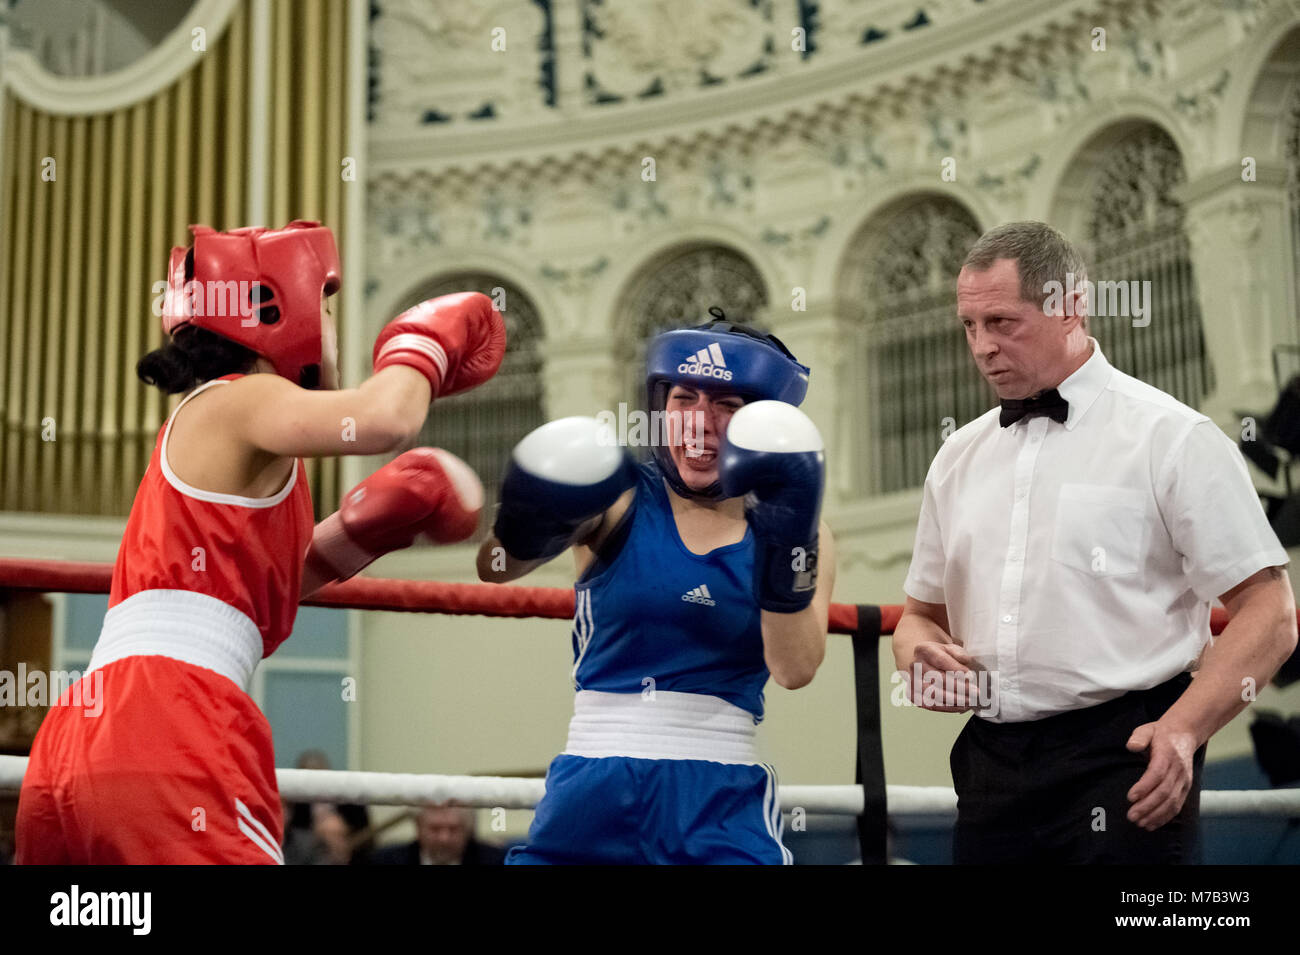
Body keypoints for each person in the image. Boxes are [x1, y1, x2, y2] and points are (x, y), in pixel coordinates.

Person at [17, 220, 505, 864]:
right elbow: (388, 417)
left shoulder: (224, 434)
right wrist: (425, 344)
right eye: (326, 306)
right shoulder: (239, 401)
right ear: (283, 306)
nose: (333, 328)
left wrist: (368, 530)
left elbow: (249, 595)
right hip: (171, 718)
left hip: (85, 732)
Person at [893, 220, 1298, 864]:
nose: (982, 347)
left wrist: (1185, 730)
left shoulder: (1172, 438)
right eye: (970, 326)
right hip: (991, 768)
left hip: (1128, 755)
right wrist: (916, 655)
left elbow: (1271, 613)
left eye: (1002, 322)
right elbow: (919, 616)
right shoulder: (957, 456)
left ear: (1071, 306)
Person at [479, 312, 836, 865]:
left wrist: (784, 543)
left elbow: (796, 670)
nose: (699, 422)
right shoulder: (616, 495)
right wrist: (527, 515)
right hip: (593, 784)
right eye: (684, 399)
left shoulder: (803, 529)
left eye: (726, 406)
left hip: (719, 797)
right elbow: (497, 568)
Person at [369, 804, 506, 865]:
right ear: (418, 827)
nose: (444, 838)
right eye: (435, 829)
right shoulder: (385, 861)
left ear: (467, 830)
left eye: (453, 829)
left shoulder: (496, 861)